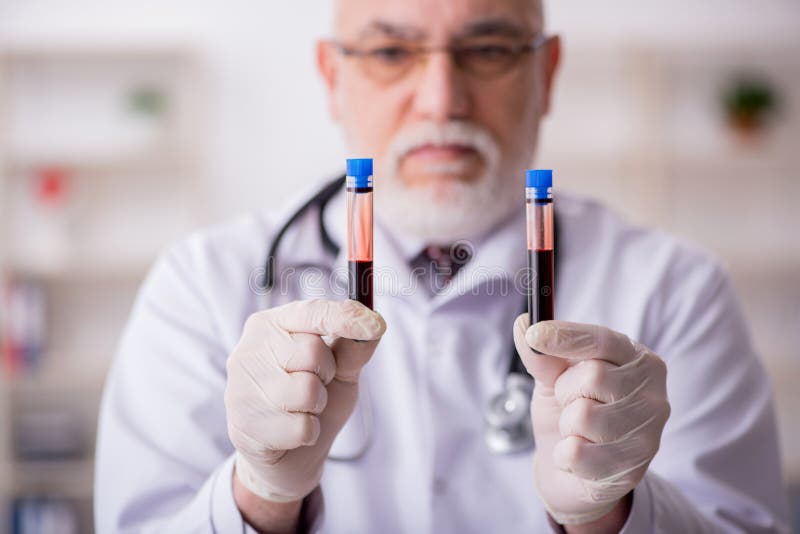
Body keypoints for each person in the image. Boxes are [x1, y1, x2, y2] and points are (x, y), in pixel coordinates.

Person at [94, 0, 791, 532]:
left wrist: (613, 514)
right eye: (392, 50)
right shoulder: (200, 284)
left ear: (545, 74)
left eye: (486, 48)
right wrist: (258, 496)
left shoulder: (677, 290)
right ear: (332, 77)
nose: (441, 99)